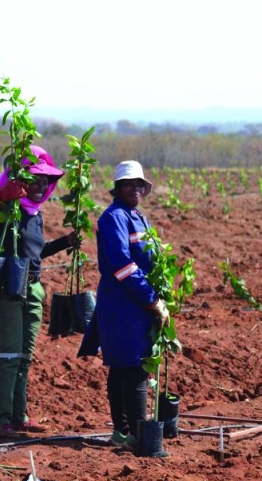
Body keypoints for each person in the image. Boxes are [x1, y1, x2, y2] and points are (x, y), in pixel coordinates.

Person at [0, 146, 79, 437]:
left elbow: (35, 253)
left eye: (45, 181)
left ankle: (18, 416)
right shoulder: (7, 211)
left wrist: (66, 242)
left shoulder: (35, 216)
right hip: (5, 288)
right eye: (34, 179)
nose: (41, 186)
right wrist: (2, 195)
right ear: (18, 179)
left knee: (25, 355)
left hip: (33, 288)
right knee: (10, 354)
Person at [82, 160, 168, 452]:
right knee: (132, 368)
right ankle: (137, 436)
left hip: (136, 305)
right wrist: (152, 299)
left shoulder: (138, 217)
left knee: (122, 369)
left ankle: (123, 431)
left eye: (139, 184)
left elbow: (149, 260)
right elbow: (122, 265)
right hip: (123, 306)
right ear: (117, 188)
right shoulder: (113, 218)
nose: (136, 189)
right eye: (129, 184)